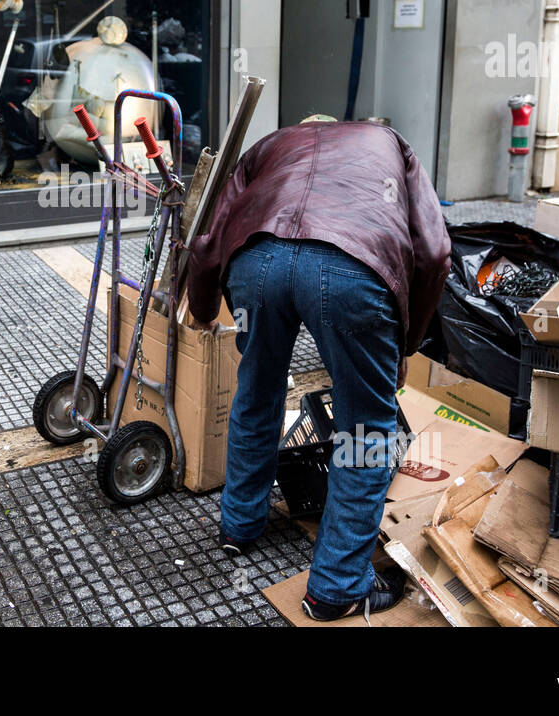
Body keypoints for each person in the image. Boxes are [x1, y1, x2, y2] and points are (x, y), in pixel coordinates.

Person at [186, 116, 450, 621]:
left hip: (256, 263)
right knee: (367, 429)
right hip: (354, 266)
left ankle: (239, 527)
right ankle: (336, 589)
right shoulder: (390, 141)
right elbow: (435, 252)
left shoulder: (269, 146)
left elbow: (208, 237)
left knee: (257, 392)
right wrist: (405, 344)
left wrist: (200, 308)